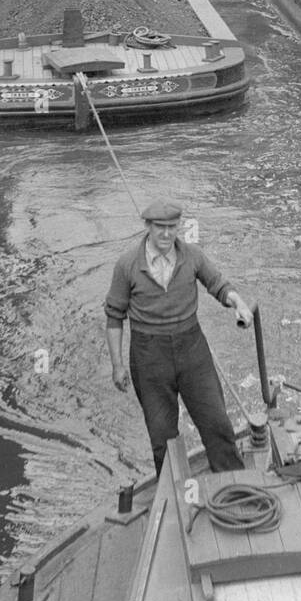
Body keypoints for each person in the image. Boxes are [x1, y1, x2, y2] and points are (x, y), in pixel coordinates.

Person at [105, 199, 251, 478]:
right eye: (160, 227)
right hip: (149, 358)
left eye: (172, 227)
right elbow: (114, 316)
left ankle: (234, 485)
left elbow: (218, 285)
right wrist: (117, 365)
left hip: (192, 351)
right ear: (148, 226)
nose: (166, 234)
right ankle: (173, 496)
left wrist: (238, 303)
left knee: (217, 422)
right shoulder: (126, 265)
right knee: (162, 437)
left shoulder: (193, 256)